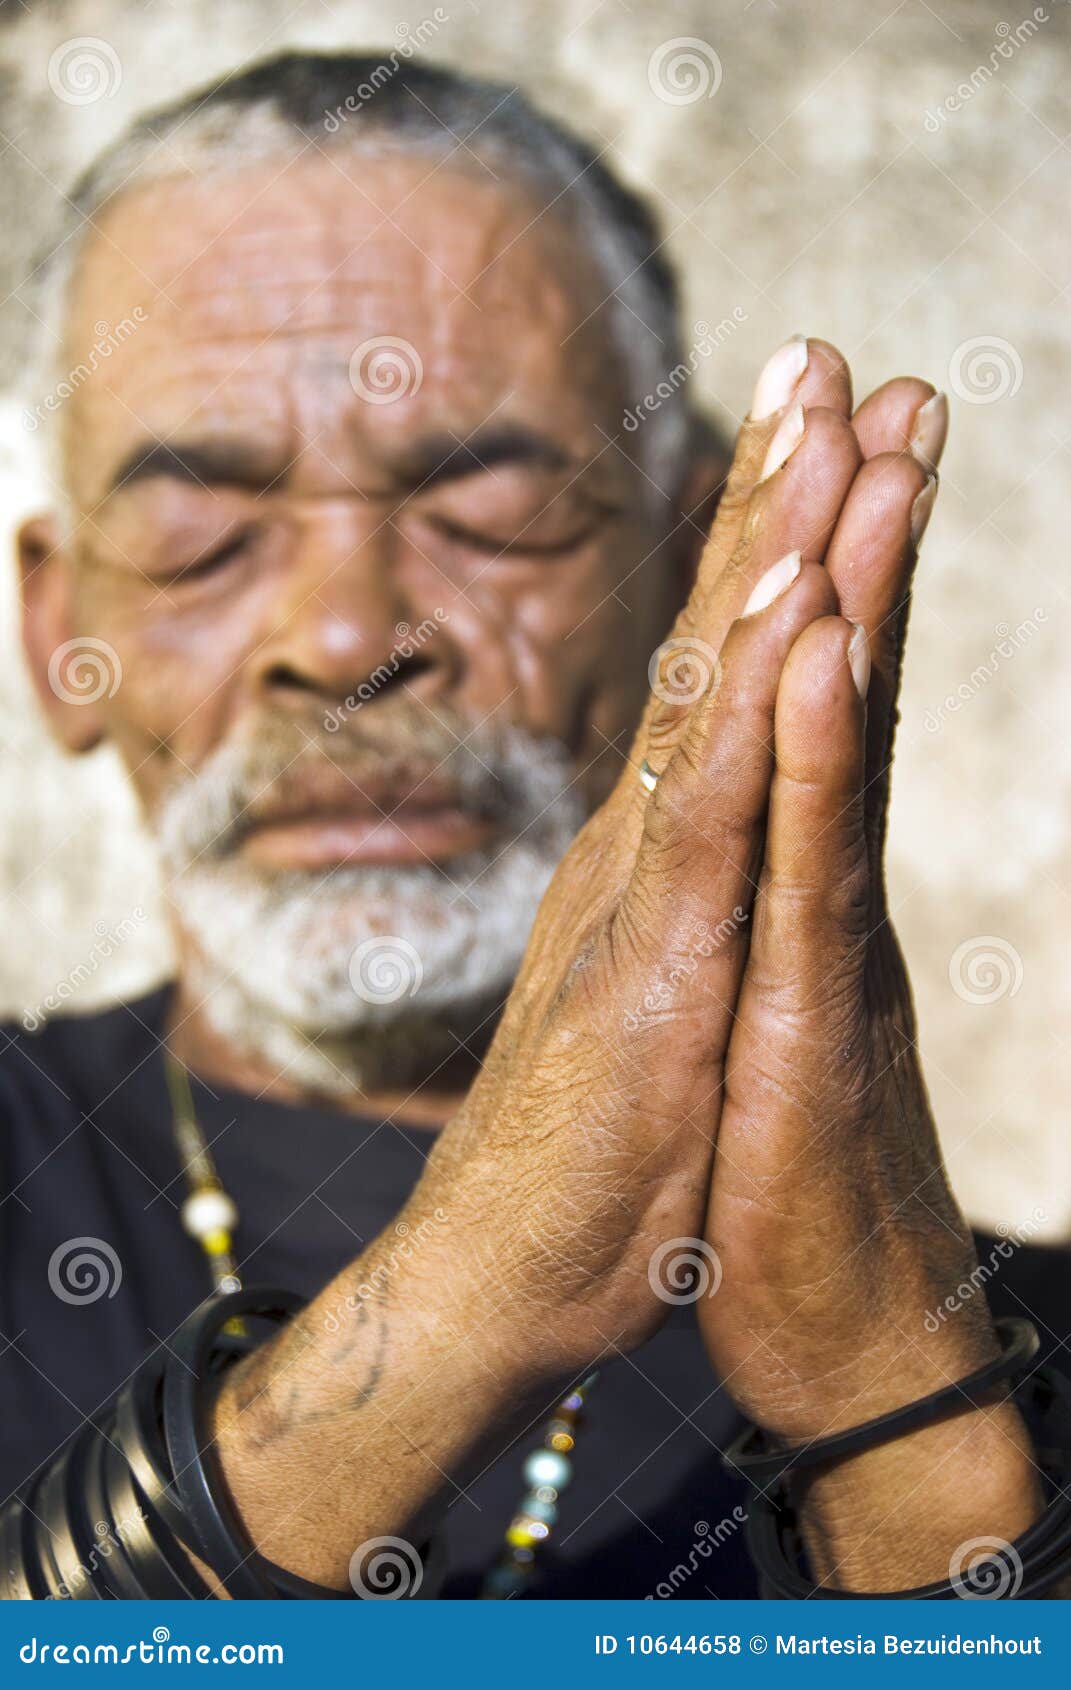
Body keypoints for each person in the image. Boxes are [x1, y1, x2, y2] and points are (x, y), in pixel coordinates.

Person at [2, 52, 1068, 1601]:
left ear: (697, 559)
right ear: (58, 630)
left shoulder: (993, 1350)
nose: (349, 633)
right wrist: (469, 1295)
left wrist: (893, 1411)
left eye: (489, 517)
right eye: (202, 538)